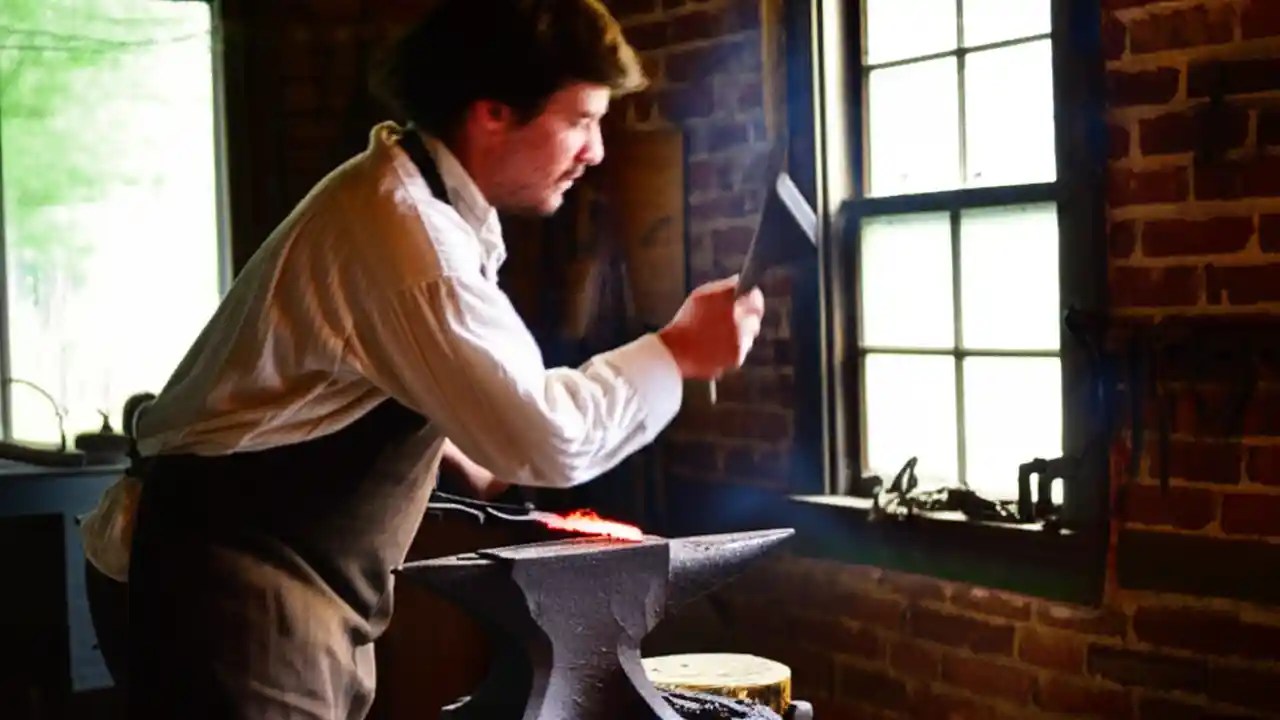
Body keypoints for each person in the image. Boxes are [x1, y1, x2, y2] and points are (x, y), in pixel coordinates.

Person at [77, 0, 767, 718]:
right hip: (231, 589)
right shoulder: (412, 239)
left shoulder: (413, 204)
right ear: (492, 113)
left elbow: (350, 392)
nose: (595, 150)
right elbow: (551, 438)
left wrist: (463, 438)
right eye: (581, 120)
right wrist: (676, 353)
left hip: (284, 587)